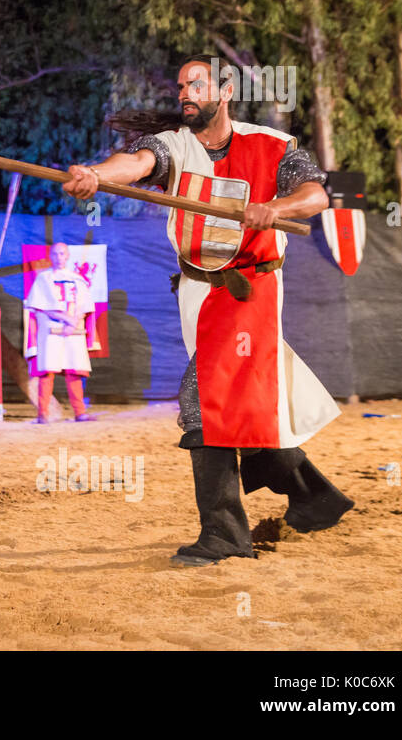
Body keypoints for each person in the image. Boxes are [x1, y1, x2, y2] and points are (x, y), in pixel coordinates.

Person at [62, 54, 353, 565]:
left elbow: (315, 196)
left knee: (204, 401)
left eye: (195, 84)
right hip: (198, 291)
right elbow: (136, 163)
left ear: (224, 90)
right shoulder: (175, 146)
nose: (184, 94)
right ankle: (314, 497)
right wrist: (96, 175)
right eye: (180, 86)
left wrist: (274, 209)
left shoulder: (273, 145)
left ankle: (224, 536)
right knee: (242, 401)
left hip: (251, 291)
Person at [23, 242, 99, 422]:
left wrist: (73, 323)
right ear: (51, 256)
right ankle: (43, 414)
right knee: (47, 371)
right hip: (51, 330)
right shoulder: (44, 279)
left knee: (75, 370)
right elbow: (39, 305)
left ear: (68, 256)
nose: (59, 258)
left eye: (62, 254)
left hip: (74, 330)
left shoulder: (77, 279)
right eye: (55, 254)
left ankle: (80, 413)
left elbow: (85, 305)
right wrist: (67, 319)